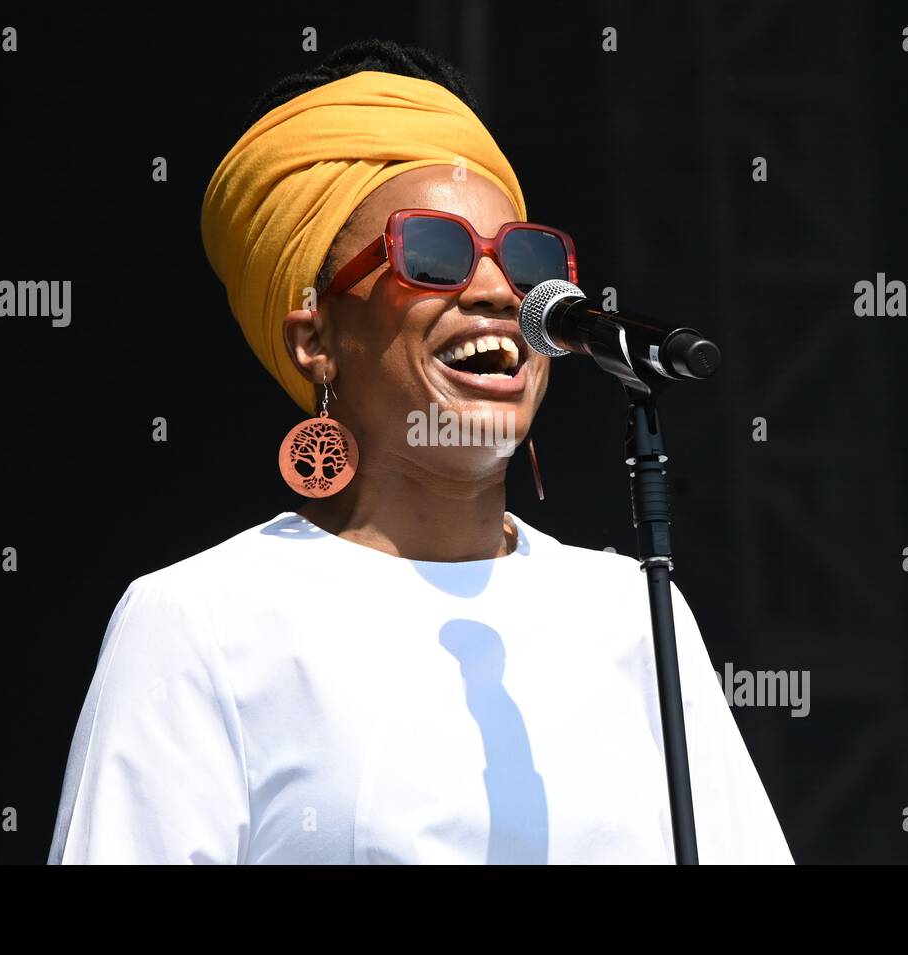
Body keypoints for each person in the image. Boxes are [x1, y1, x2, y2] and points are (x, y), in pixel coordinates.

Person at [47, 39, 794, 865]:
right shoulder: (203, 621)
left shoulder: (631, 610)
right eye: (432, 255)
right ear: (314, 341)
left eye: (525, 259)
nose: (496, 293)